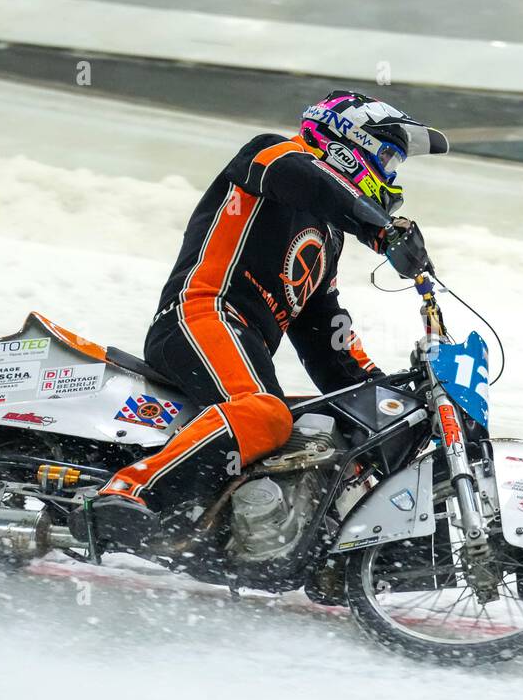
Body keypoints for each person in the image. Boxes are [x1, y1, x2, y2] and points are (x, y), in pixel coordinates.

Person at [71, 90, 448, 547]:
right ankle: (130, 492)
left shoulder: (327, 238)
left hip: (240, 339)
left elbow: (325, 338)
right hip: (201, 313)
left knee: (321, 425)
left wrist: (384, 391)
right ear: (348, 142)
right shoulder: (274, 155)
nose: (390, 173)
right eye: (387, 156)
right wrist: (380, 231)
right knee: (263, 414)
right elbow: (305, 179)